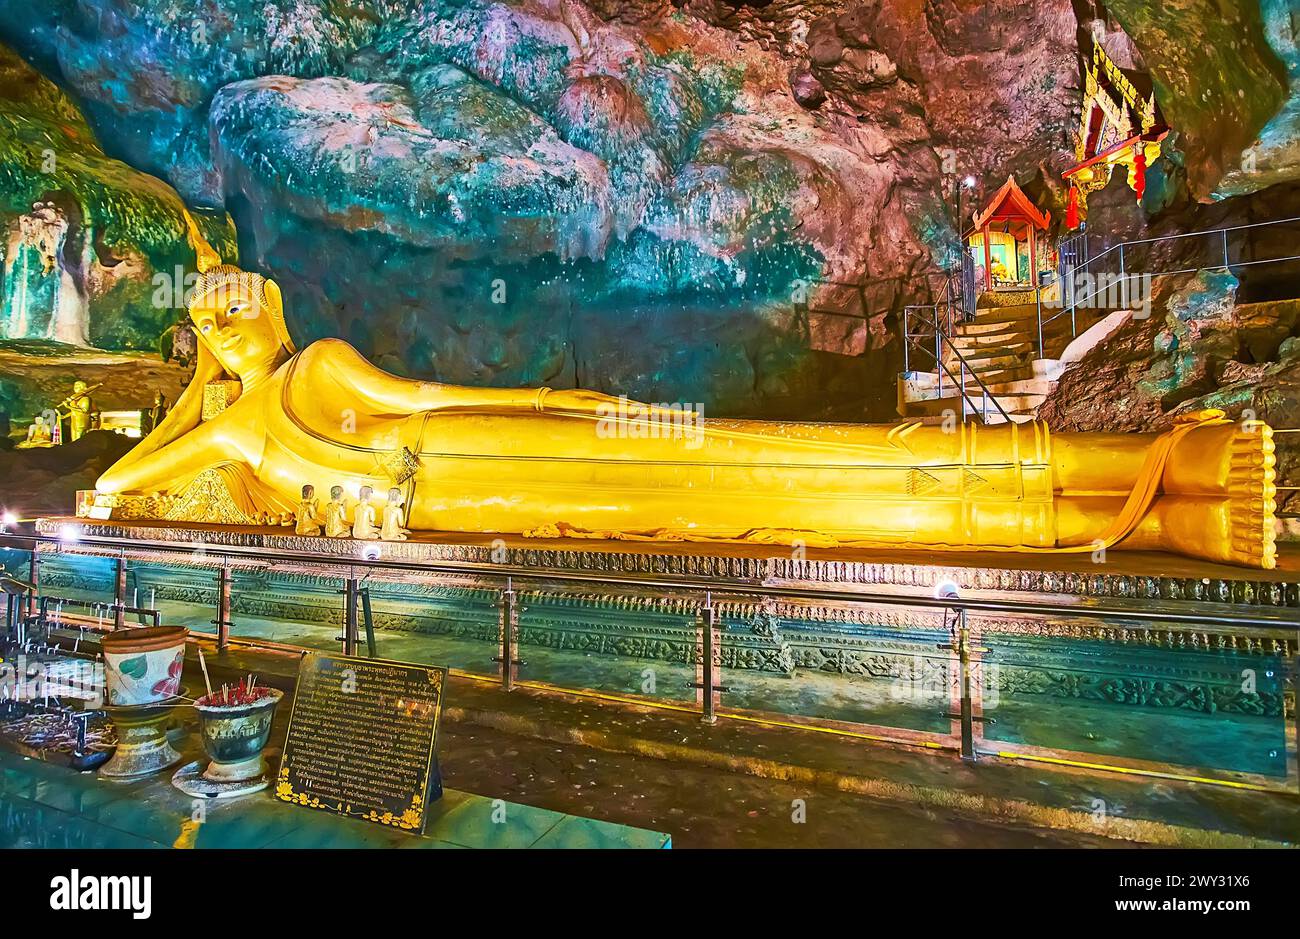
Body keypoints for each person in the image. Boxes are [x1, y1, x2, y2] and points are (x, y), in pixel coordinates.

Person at [90, 210, 1279, 569]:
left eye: (242, 316)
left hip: (520, 450)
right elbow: (126, 480)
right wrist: (118, 482)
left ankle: (1137, 465)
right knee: (771, 510)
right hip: (474, 514)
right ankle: (1142, 511)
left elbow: (430, 399)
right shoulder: (233, 438)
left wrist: (590, 408)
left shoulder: (317, 374)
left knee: (767, 459)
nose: (234, 339)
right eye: (215, 328)